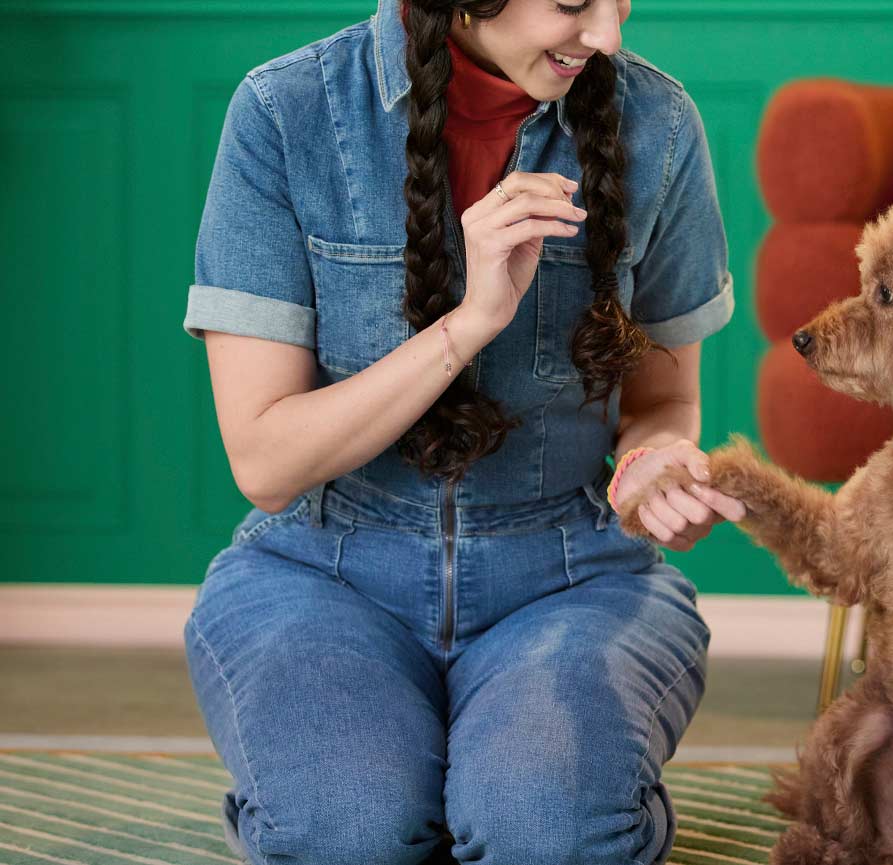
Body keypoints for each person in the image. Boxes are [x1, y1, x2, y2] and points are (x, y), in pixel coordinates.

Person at [180, 0, 744, 861]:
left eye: (621, 0)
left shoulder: (658, 125)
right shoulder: (283, 113)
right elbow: (265, 461)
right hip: (320, 574)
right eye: (570, 4)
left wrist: (655, 464)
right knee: (348, 833)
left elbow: (664, 403)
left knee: (545, 832)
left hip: (572, 578)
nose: (607, 36)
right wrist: (469, 322)